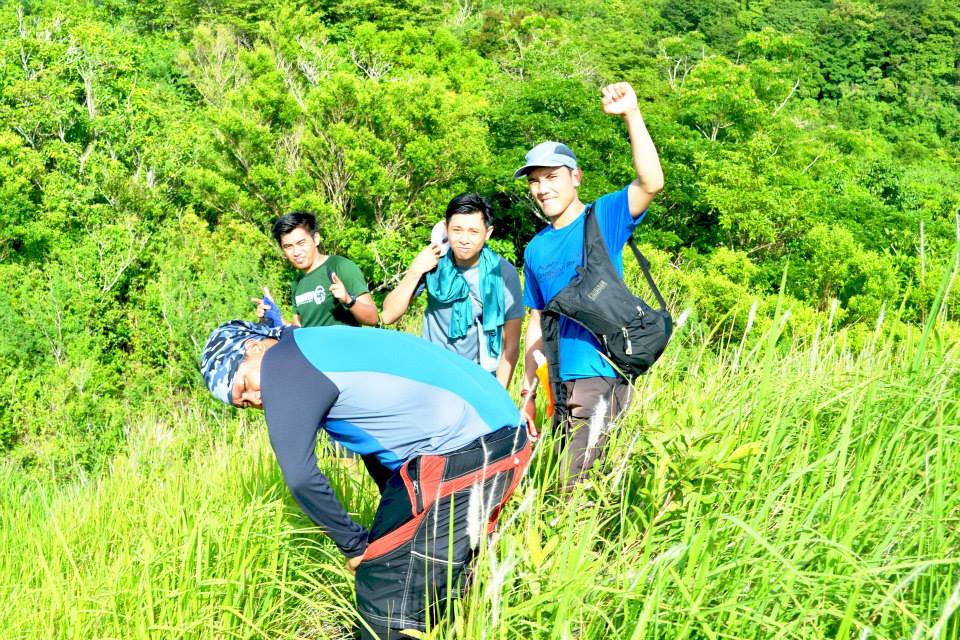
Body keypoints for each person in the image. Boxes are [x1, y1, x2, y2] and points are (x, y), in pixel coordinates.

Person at [199, 320, 531, 640]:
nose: (256, 399)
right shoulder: (314, 345)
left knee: (384, 591)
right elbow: (377, 441)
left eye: (245, 385)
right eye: (245, 403)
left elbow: (300, 476)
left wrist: (354, 546)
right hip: (500, 438)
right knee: (442, 583)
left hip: (466, 449)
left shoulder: (281, 364)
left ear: (254, 347)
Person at [517, 82, 664, 491]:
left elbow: (651, 182)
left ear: (576, 177)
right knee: (577, 483)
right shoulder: (535, 249)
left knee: (573, 486)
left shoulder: (603, 218)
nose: (543, 188)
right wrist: (529, 390)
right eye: (535, 181)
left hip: (601, 373)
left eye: (552, 177)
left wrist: (631, 114)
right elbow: (537, 322)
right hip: (559, 381)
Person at [381, 194, 524, 388]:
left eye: (474, 232)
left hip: (479, 378)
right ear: (446, 227)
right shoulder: (433, 262)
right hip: (433, 376)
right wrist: (415, 270)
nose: (464, 239)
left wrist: (497, 395)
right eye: (457, 230)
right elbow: (388, 315)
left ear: (488, 233)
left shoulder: (503, 273)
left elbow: (511, 346)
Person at [253, 211, 379, 328]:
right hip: (310, 346)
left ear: (316, 239)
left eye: (301, 243)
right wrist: (274, 316)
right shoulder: (297, 282)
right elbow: (297, 330)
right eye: (288, 246)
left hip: (343, 345)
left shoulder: (340, 266)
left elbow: (373, 318)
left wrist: (348, 300)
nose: (296, 252)